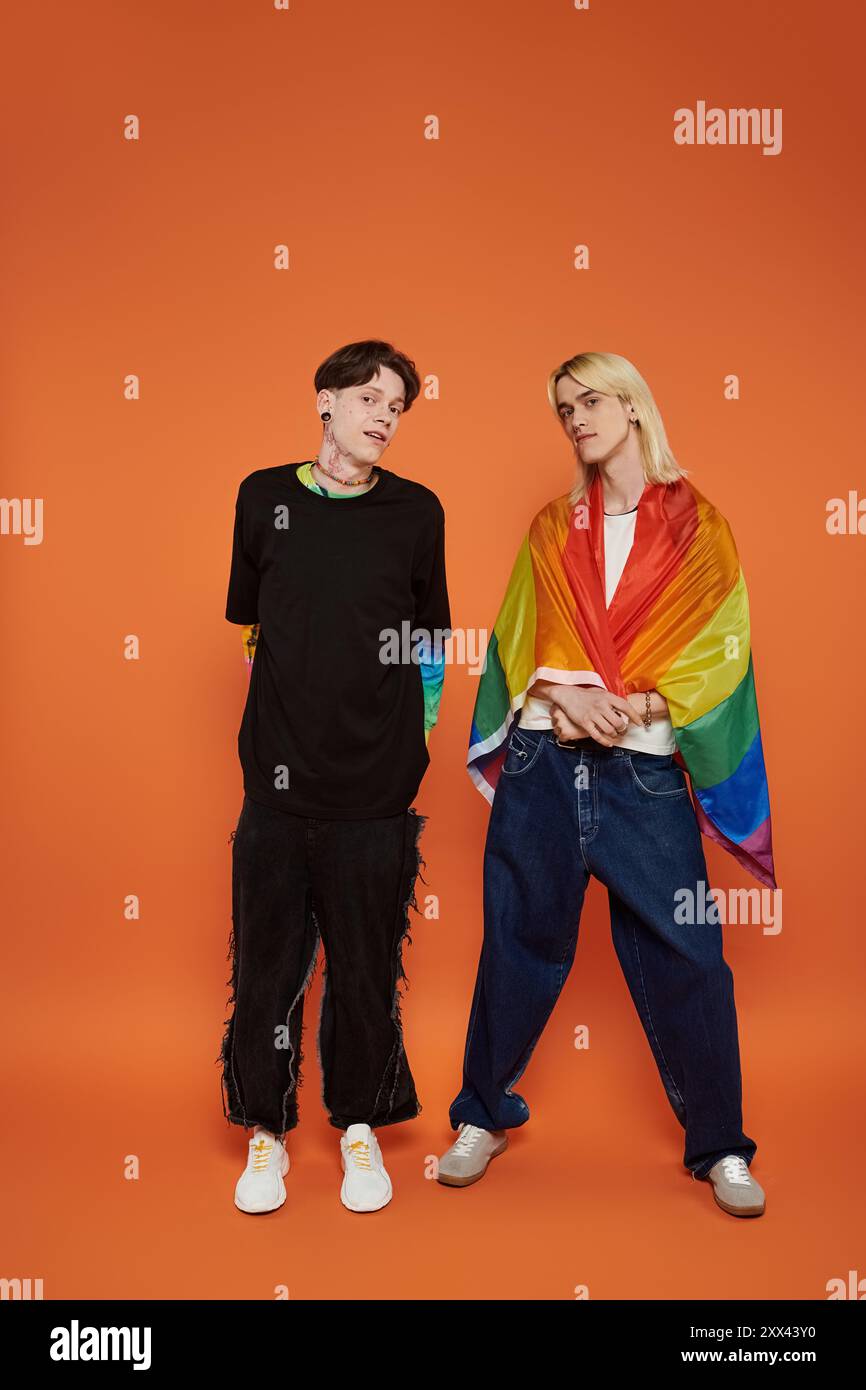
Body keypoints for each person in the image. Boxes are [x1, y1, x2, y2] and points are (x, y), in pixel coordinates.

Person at [437, 351, 776, 1218]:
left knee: (689, 956)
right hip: (545, 767)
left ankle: (721, 1146)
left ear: (633, 405)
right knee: (516, 942)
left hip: (644, 777)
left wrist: (635, 700)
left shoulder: (704, 529)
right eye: (564, 409)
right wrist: (562, 692)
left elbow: (722, 656)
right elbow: (516, 648)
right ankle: (482, 1115)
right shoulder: (554, 527)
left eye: (590, 401)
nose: (577, 419)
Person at [219, 339, 451, 1214]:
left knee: (364, 967)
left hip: (376, 789)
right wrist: (272, 733)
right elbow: (257, 634)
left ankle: (358, 1127)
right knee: (269, 967)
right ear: (325, 400)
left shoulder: (416, 512)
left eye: (398, 405)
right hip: (276, 785)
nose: (385, 416)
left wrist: (412, 743)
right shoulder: (262, 497)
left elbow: (428, 643)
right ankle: (267, 1134)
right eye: (369, 398)